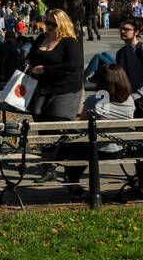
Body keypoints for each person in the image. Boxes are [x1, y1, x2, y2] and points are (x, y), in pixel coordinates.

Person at [55, 65, 136, 195]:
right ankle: (70, 178)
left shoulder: (94, 100)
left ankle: (71, 180)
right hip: (118, 150)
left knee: (75, 140)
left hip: (95, 151)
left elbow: (81, 124)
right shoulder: (130, 101)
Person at [26, 9, 84, 120]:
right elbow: (31, 55)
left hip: (64, 90)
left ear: (63, 24)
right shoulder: (41, 38)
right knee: (39, 119)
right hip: (42, 88)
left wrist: (45, 69)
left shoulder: (69, 42)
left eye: (54, 24)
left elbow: (73, 65)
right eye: (47, 23)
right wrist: (28, 61)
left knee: (56, 122)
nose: (50, 26)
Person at [114, 17, 143, 120]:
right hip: (129, 100)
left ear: (136, 32)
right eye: (121, 29)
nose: (122, 31)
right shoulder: (120, 53)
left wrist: (137, 95)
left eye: (126, 29)